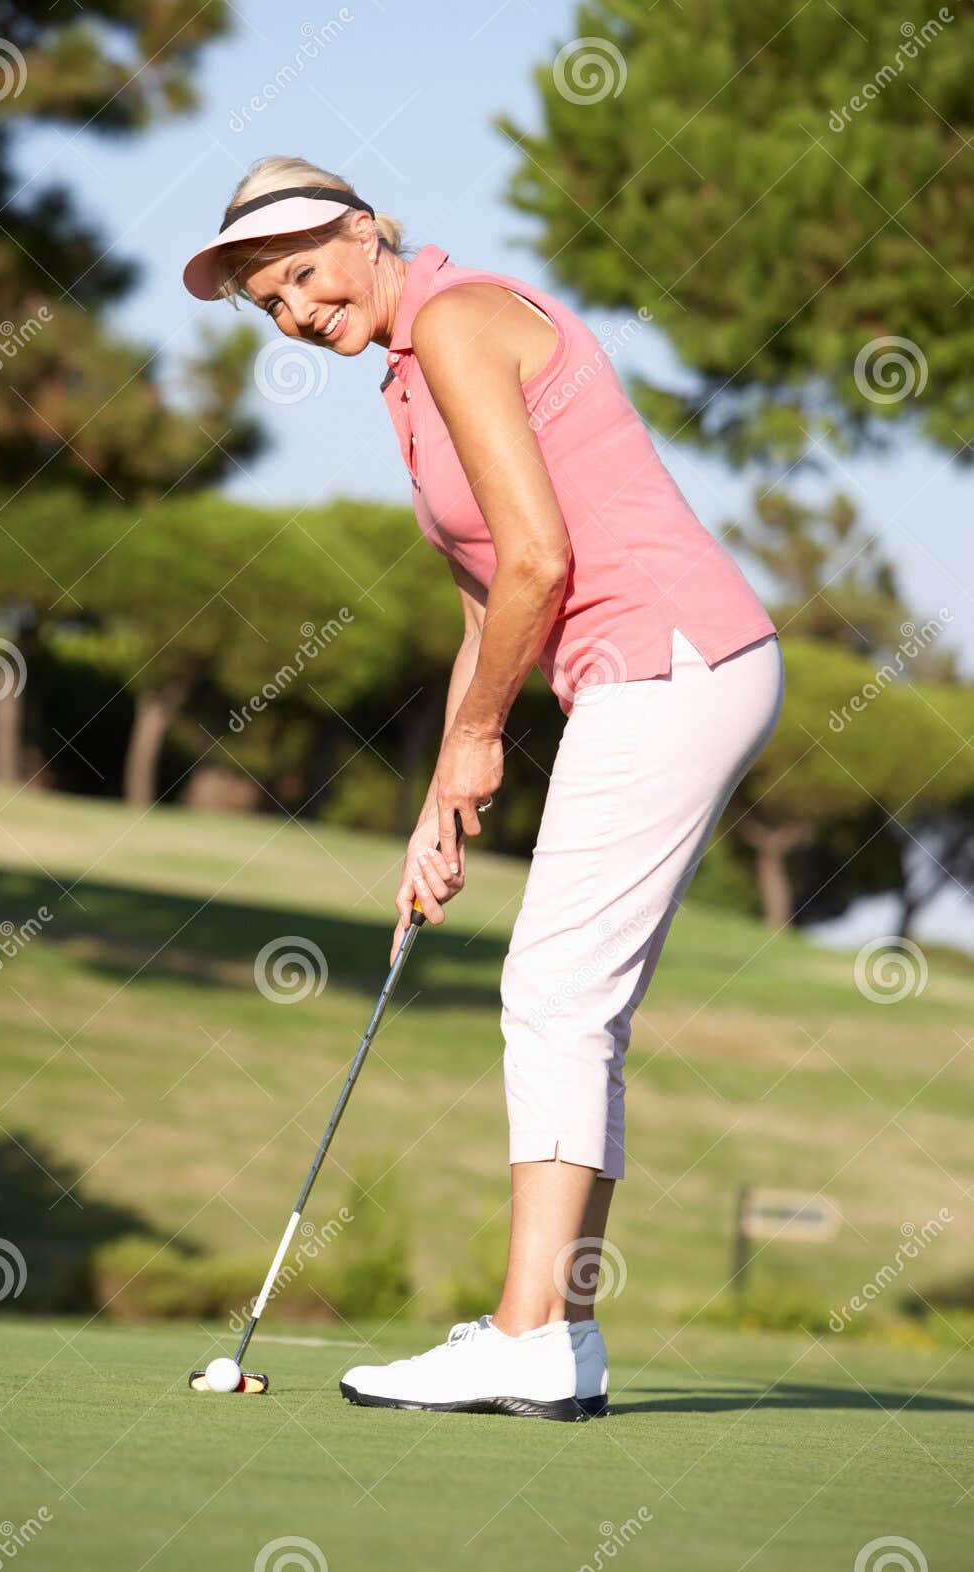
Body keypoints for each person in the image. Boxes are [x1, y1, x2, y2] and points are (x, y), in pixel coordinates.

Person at [184, 155, 785, 1422]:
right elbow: (483, 593)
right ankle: (553, 1332)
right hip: (663, 668)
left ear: (363, 233)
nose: (293, 311)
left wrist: (478, 742)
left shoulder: (455, 321)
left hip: (669, 659)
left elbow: (539, 560)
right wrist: (437, 803)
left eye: (301, 274)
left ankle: (525, 1337)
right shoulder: (408, 374)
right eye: (267, 302)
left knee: (552, 994)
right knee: (578, 1003)